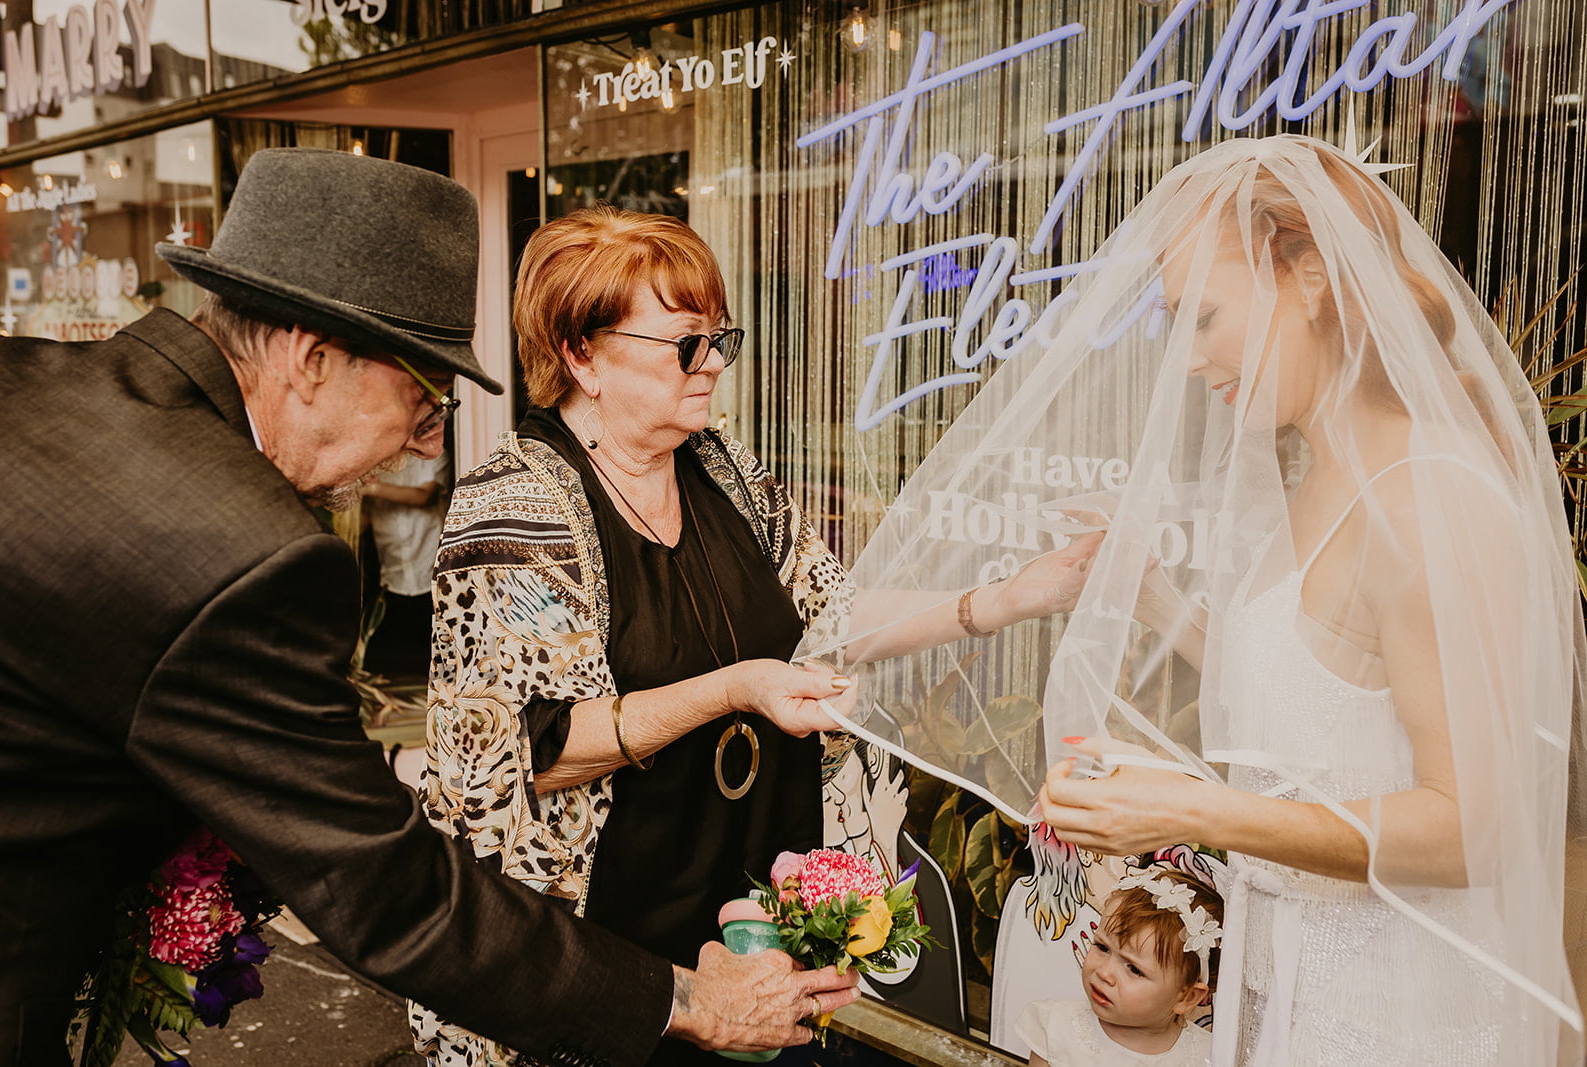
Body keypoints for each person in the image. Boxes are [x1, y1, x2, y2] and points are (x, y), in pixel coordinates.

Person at [0, 148, 857, 1067]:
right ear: (313, 358)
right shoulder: (249, 557)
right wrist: (687, 1000)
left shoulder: (20, 383)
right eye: (422, 395)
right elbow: (392, 890)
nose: (419, 441)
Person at [800, 134, 1585, 1065]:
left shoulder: (1429, 498)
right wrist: (1153, 601)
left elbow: (1477, 828)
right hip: (1285, 986)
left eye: (1205, 316)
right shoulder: (1322, 474)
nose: (1186, 360)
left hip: (1400, 1012)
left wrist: (1193, 813)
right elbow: (1330, 698)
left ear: (1308, 279)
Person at [411, 205, 1093, 1065]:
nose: (712, 367)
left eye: (716, 339)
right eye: (683, 345)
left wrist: (1006, 598)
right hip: (613, 946)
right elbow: (534, 750)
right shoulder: (516, 503)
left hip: (749, 927)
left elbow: (831, 614)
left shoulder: (721, 466)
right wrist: (735, 686)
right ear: (582, 354)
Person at [1016, 869, 1220, 1066]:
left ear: (1186, 997)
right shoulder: (1057, 1030)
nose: (1104, 973)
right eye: (1102, 947)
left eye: (1134, 969)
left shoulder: (1208, 1058)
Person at [361, 450, 450, 680]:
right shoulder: (372, 460)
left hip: (430, 569)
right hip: (391, 571)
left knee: (436, 659)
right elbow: (362, 522)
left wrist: (371, 488)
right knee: (391, 666)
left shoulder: (431, 455)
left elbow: (424, 496)